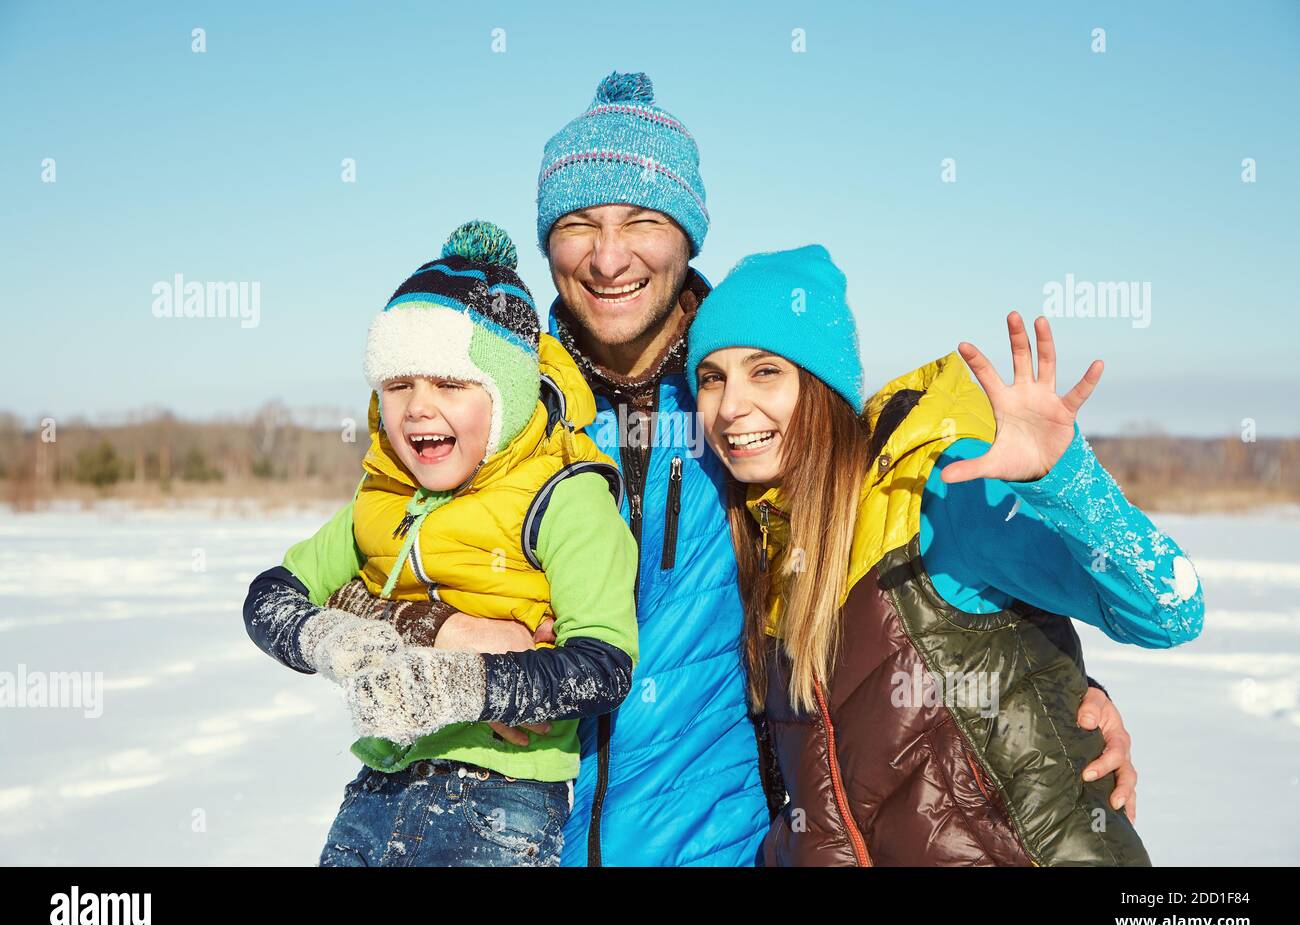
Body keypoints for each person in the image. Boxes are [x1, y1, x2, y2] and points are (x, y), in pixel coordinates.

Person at [246, 70, 1144, 867]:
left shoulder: (750, 417)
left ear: (687, 236)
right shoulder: (498, 406)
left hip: (721, 841)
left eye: (641, 220)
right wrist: (434, 624)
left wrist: (1055, 692)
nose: (608, 256)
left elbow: (879, 570)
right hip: (509, 831)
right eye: (577, 225)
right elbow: (364, 565)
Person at [685, 243, 1205, 865]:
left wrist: (1066, 482)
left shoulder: (935, 496)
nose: (732, 405)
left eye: (764, 370)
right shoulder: (770, 549)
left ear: (821, 387)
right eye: (712, 378)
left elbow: (1169, 610)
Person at [243, 221, 639, 866]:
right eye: (399, 386)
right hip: (375, 787)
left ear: (506, 397)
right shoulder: (381, 501)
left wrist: (451, 687)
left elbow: (601, 667)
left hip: (502, 798)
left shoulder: (564, 497)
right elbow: (269, 598)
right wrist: (336, 640)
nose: (418, 409)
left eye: (451, 384)